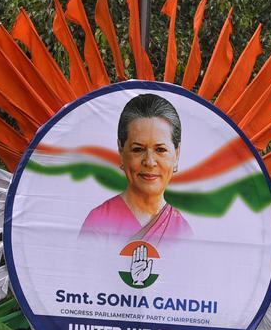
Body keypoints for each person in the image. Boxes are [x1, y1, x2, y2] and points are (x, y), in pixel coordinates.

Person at [79, 93, 193, 246]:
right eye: (138, 149)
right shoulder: (99, 222)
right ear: (121, 150)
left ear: (177, 154)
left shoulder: (183, 232)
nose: (150, 162)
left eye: (160, 150)